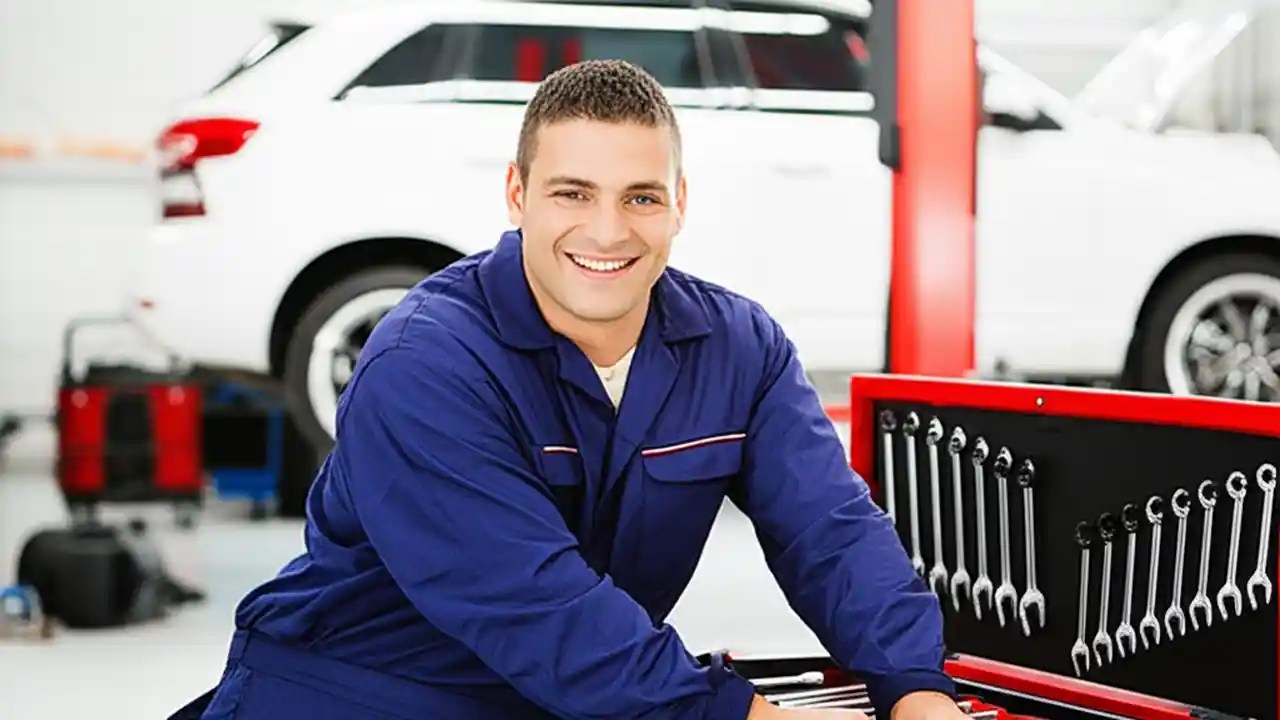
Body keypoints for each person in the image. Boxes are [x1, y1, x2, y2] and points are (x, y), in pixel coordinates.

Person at [174, 60, 964, 720]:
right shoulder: (426, 365)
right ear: (517, 194)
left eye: (641, 197)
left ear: (679, 204)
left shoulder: (738, 348)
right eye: (572, 193)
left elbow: (829, 532)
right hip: (354, 696)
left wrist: (914, 689)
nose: (609, 231)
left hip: (572, 701)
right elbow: (539, 609)